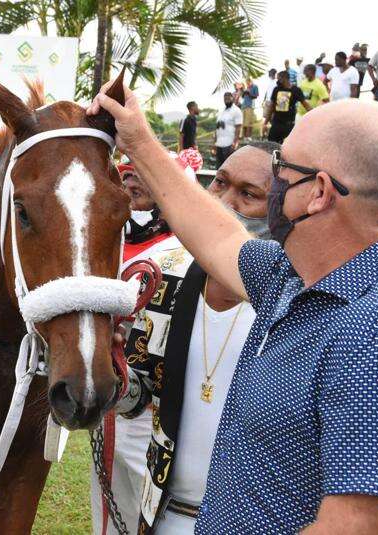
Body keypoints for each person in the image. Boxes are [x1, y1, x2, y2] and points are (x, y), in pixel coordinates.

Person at [87, 85, 378, 533]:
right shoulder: (299, 277)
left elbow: (353, 528)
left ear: (319, 192)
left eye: (282, 168)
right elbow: (220, 238)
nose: (273, 182)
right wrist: (139, 139)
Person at [114, 142, 277, 534]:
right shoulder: (162, 273)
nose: (222, 201)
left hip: (251, 522)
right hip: (162, 512)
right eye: (218, 183)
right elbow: (140, 396)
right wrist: (110, 371)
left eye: (248, 194)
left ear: (282, 212)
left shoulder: (298, 298)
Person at [91, 152, 202, 535]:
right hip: (109, 395)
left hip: (154, 407)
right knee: (107, 503)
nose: (132, 183)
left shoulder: (189, 250)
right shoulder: (103, 238)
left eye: (143, 177)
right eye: (126, 175)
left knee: (148, 504)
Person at [268, 71, 310, 143]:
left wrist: (315, 115)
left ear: (285, 78)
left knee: (288, 147)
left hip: (289, 124)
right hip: (276, 123)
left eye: (279, 79)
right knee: (271, 145)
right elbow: (271, 106)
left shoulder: (296, 90)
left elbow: (306, 105)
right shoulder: (276, 89)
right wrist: (267, 120)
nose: (277, 81)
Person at [214, 91, 242, 167]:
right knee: (219, 169)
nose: (226, 99)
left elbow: (238, 127)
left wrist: (235, 143)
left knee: (228, 168)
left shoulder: (236, 110)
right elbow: (217, 127)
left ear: (232, 98)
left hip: (229, 144)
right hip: (219, 144)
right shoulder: (221, 111)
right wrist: (214, 143)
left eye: (228, 98)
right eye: (225, 98)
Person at [261, 68, 278, 137]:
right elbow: (267, 92)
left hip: (273, 102)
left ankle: (273, 132)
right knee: (266, 118)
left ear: (273, 73)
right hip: (267, 101)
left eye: (270, 73)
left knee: (272, 118)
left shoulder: (276, 82)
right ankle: (266, 133)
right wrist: (263, 100)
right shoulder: (269, 82)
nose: (268, 74)